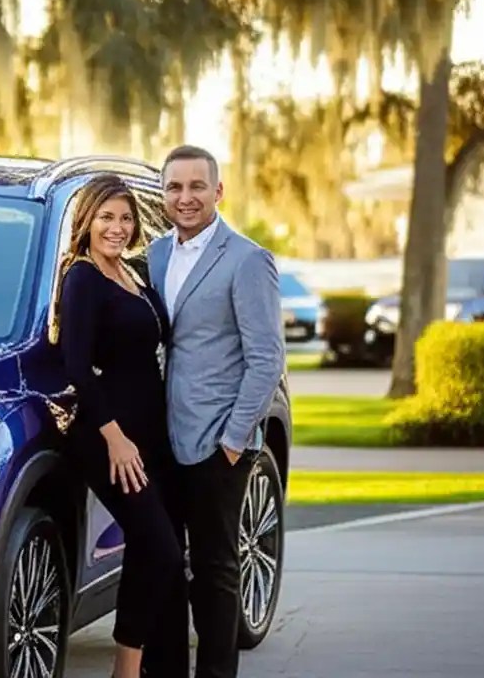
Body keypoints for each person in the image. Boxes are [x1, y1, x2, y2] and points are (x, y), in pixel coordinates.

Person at [147, 145, 286, 678]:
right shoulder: (156, 255)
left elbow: (266, 357)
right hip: (161, 440)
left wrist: (233, 440)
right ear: (164, 196)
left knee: (214, 574)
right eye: (174, 188)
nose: (185, 198)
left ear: (218, 191)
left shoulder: (248, 259)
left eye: (196, 186)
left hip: (217, 446)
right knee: (162, 567)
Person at [57, 173, 188, 678]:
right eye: (106, 217)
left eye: (126, 218)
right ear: (87, 222)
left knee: (151, 546)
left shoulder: (133, 273)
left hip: (153, 433)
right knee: (161, 550)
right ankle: (126, 668)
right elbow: (75, 365)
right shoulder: (82, 278)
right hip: (110, 437)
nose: (117, 227)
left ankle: (156, 667)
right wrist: (113, 437)